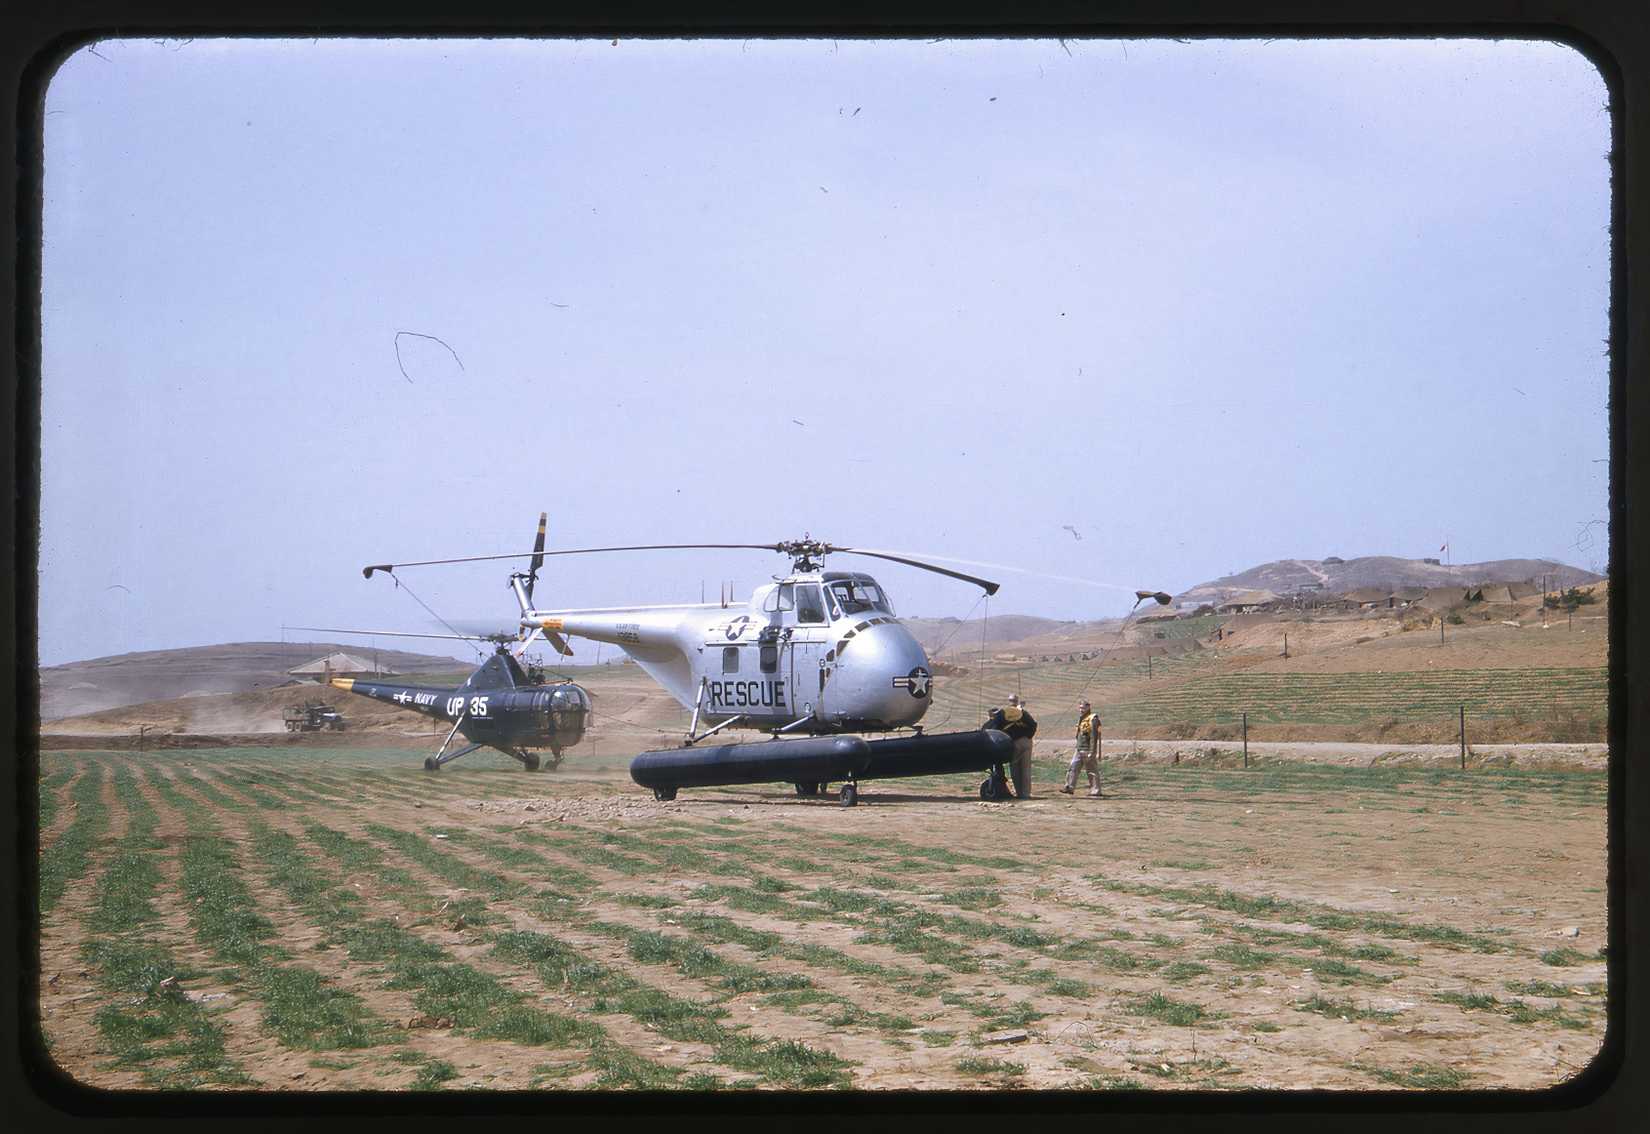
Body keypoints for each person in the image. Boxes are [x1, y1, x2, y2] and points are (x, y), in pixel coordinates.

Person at [984, 693, 1037, 798]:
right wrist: (1028, 736)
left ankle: (1019, 793)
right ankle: (1026, 794)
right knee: (1026, 770)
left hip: (1014, 743)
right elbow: (1033, 725)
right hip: (1026, 742)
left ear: (1009, 701)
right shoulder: (1023, 713)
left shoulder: (1004, 713)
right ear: (1017, 701)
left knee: (1015, 769)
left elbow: (993, 729)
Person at [1062, 699, 1102, 797]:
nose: (1081, 710)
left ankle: (1095, 790)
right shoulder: (1082, 718)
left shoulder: (1093, 718)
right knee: (1073, 767)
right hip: (1079, 748)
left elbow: (1094, 736)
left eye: (1083, 708)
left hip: (1087, 749)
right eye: (1080, 708)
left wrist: (1092, 751)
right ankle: (1069, 787)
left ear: (1088, 707)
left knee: (1091, 770)